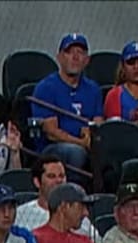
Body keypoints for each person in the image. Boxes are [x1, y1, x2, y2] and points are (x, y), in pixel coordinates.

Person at [31, 33, 102, 170]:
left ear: (87, 60)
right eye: (69, 52)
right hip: (54, 148)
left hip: (86, 145)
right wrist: (81, 143)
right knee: (75, 153)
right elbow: (52, 132)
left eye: (80, 52)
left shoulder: (93, 89)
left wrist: (90, 134)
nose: (75, 57)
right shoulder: (46, 88)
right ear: (59, 58)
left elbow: (98, 122)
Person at [32, 183, 97, 243]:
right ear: (64, 207)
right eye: (81, 207)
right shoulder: (36, 239)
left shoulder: (85, 242)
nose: (86, 213)